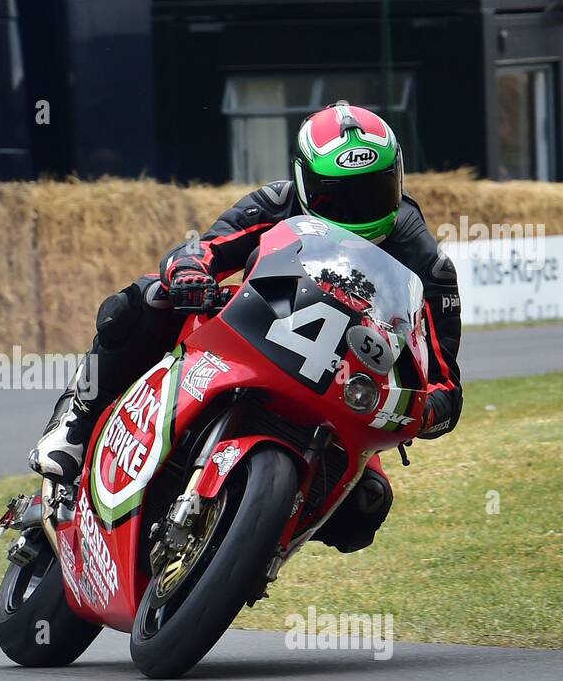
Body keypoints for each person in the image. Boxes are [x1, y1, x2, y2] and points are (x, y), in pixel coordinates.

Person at [29, 102, 463, 554]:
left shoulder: (427, 263)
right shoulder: (277, 202)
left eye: (372, 192)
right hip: (255, 331)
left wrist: (423, 409)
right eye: (338, 196)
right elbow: (202, 249)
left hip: (337, 384)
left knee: (366, 510)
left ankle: (253, 550)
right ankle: (75, 425)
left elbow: (447, 383)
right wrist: (192, 274)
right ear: (304, 182)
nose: (357, 209)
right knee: (144, 301)